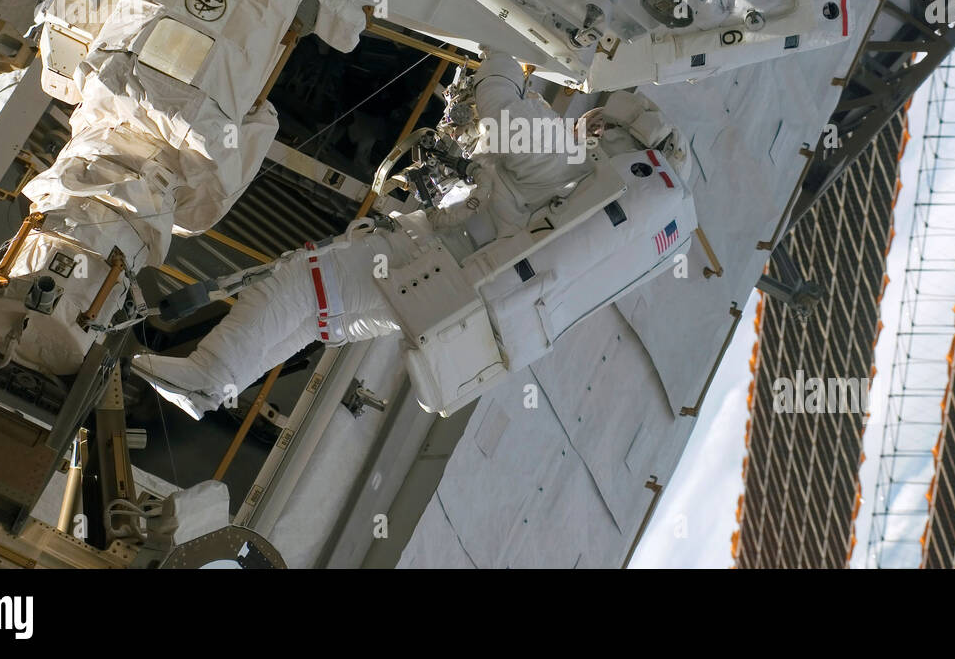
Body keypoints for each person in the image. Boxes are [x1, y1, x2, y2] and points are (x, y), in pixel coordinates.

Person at [132, 53, 697, 418]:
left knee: (298, 285)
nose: (588, 124)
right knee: (317, 314)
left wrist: (501, 51)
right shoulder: (581, 193)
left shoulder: (569, 161)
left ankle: (209, 379)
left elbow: (503, 111)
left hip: (431, 261)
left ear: (616, 136)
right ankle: (218, 383)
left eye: (601, 123)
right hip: (446, 295)